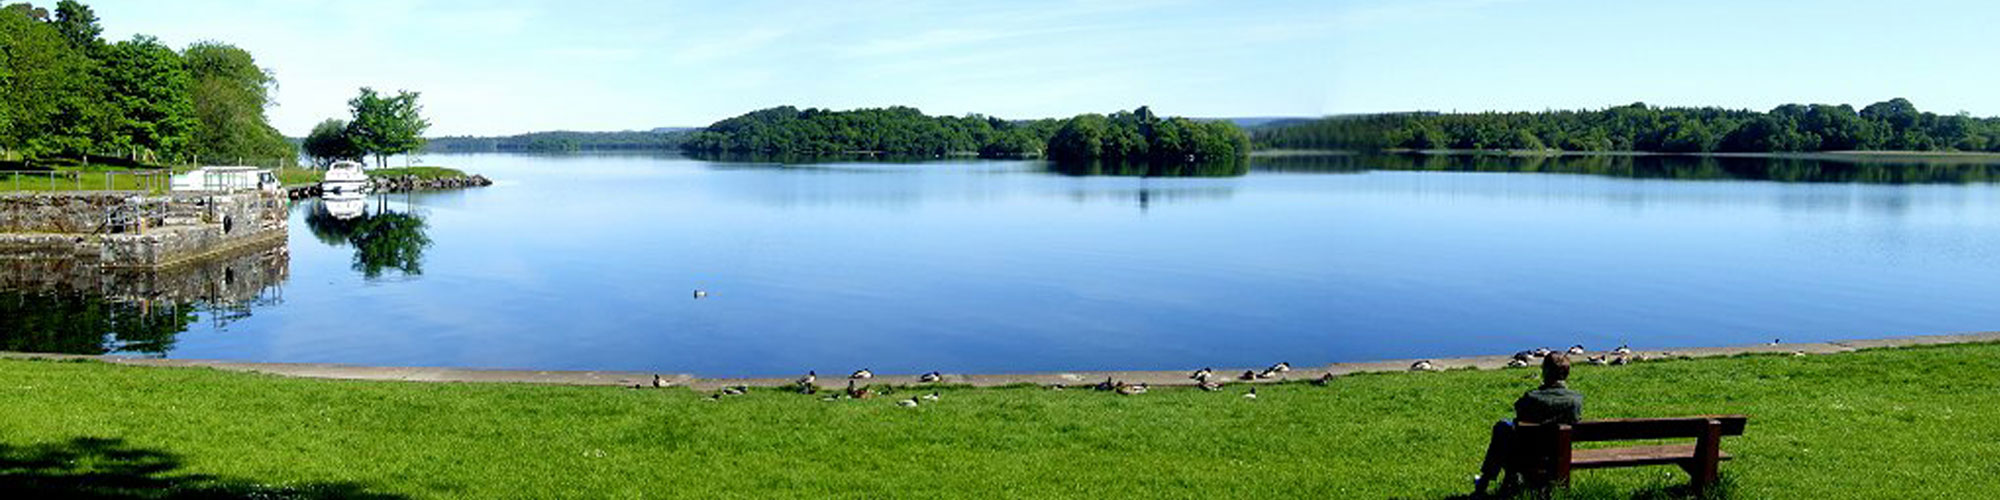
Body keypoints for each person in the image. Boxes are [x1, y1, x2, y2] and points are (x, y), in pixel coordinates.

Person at [1472, 353, 1583, 496]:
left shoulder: (1532, 398)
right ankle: (1508, 484)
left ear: (1545, 372)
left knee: (1502, 427)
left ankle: (1484, 483)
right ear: (1567, 374)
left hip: (1526, 454)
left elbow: (1519, 413)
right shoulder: (1576, 400)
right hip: (1559, 455)